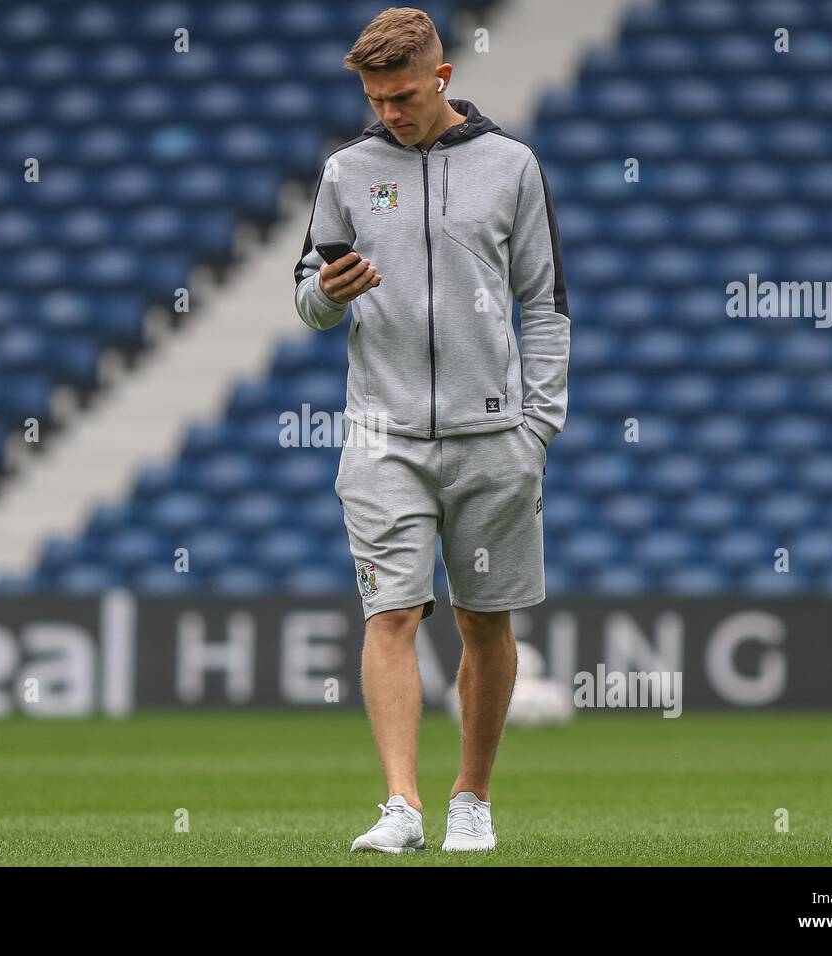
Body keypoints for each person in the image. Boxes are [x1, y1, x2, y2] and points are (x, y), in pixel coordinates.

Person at [293, 7, 570, 852]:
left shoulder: (512, 167)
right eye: (376, 99)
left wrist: (539, 428)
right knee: (392, 615)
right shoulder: (345, 172)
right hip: (383, 437)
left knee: (485, 623)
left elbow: (546, 305)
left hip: (494, 440)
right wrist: (328, 296)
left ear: (441, 79)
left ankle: (472, 799)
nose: (389, 112)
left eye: (403, 95)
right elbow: (307, 300)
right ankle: (403, 808)